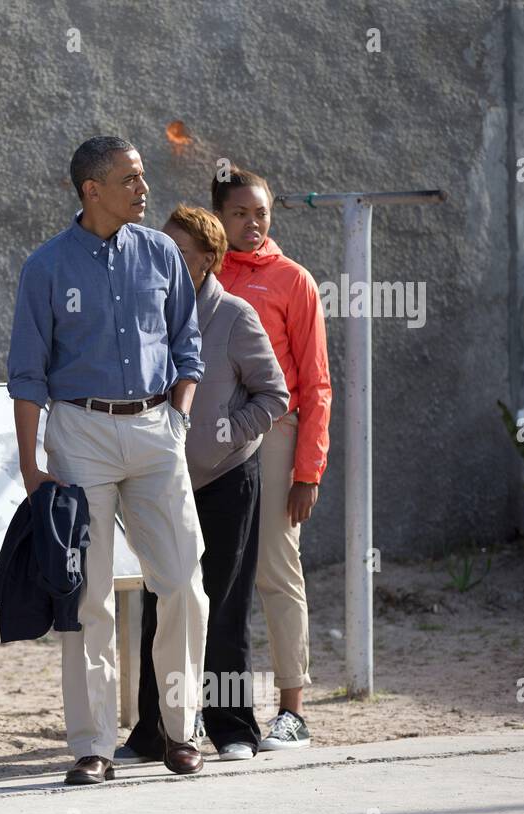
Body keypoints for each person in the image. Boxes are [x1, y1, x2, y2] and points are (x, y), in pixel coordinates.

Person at [8, 136, 209, 784]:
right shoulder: (45, 268)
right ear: (91, 190)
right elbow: (27, 374)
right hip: (80, 433)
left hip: (156, 429)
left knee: (182, 583)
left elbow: (188, 342)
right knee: (88, 595)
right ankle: (93, 745)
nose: (143, 190)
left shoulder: (161, 254)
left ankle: (181, 731)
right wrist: (32, 465)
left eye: (142, 177)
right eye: (130, 179)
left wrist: (177, 415)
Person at [116, 205, 289, 764]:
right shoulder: (146, 313)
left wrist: (224, 435)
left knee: (221, 602)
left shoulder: (236, 316)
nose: (165, 261)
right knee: (161, 601)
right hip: (159, 480)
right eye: (161, 249)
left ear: (210, 260)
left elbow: (275, 396)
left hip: (226, 481)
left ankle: (232, 728)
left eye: (180, 252)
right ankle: (154, 731)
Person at [212, 166, 333, 750]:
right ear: (219, 217)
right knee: (205, 574)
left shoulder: (294, 281)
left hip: (276, 433)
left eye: (260, 212)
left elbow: (316, 385)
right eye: (239, 213)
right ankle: (195, 708)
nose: (252, 223)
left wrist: (307, 471)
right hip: (209, 434)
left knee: (276, 572)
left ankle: (292, 710)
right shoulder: (204, 273)